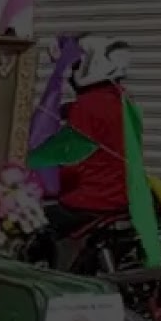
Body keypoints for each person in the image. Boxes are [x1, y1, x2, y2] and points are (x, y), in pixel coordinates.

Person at [48, 36, 131, 253]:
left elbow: (72, 165)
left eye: (75, 66)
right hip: (122, 196)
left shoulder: (86, 106)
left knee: (31, 223)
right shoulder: (124, 101)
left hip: (92, 199)